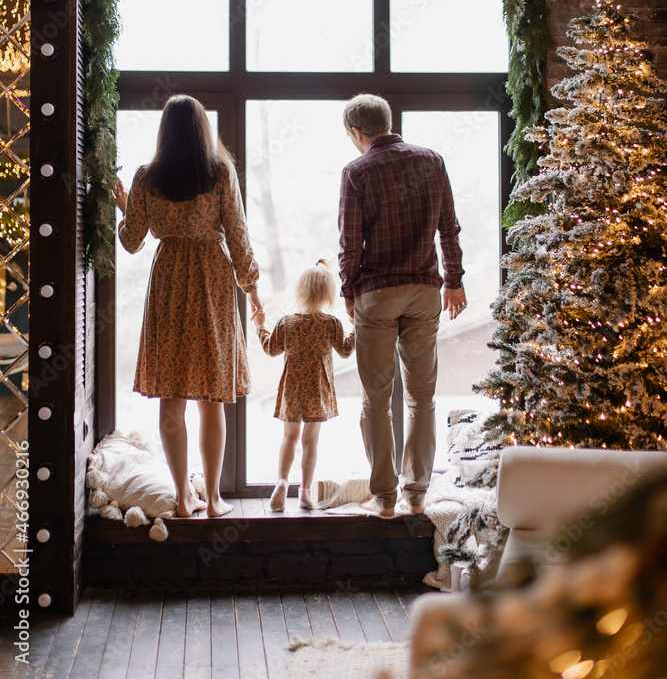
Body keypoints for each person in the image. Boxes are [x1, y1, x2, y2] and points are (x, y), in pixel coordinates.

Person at [111, 95, 263, 518]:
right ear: (202, 131)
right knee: (212, 397)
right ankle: (213, 500)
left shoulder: (146, 177)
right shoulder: (219, 173)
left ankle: (181, 499)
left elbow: (132, 240)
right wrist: (252, 287)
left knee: (172, 395)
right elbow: (238, 237)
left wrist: (125, 209)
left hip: (169, 282)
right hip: (212, 282)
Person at [338, 93, 466, 518]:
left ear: (357, 131)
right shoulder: (432, 161)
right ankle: (416, 495)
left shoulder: (356, 171)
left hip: (376, 293)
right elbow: (449, 227)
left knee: (376, 397)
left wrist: (347, 291)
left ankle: (385, 498)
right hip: (425, 290)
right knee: (422, 396)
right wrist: (455, 281)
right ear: (387, 122)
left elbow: (349, 243)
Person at [251, 259, 355, 513]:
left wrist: (260, 327)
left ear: (300, 291)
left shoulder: (287, 322)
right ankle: (306, 493)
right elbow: (345, 351)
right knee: (311, 441)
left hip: (292, 388)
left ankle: (282, 484)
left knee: (289, 437)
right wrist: (357, 328)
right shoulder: (330, 324)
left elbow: (271, 349)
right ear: (329, 295)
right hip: (317, 390)